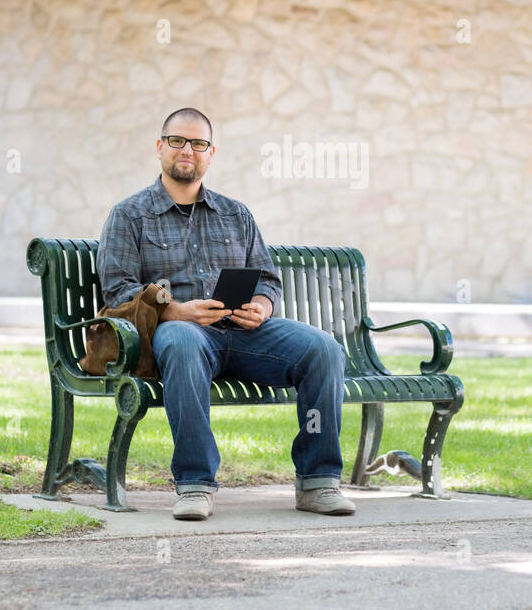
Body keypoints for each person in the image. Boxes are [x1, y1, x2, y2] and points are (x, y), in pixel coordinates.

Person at [96, 107, 355, 521]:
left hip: (245, 333)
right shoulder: (129, 215)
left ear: (210, 153)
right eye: (178, 141)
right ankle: (196, 484)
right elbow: (117, 289)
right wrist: (176, 310)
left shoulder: (237, 214)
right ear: (159, 147)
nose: (187, 150)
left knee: (323, 350)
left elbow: (268, 279)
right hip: (183, 334)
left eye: (198, 144)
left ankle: (318, 480)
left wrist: (263, 306)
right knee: (181, 343)